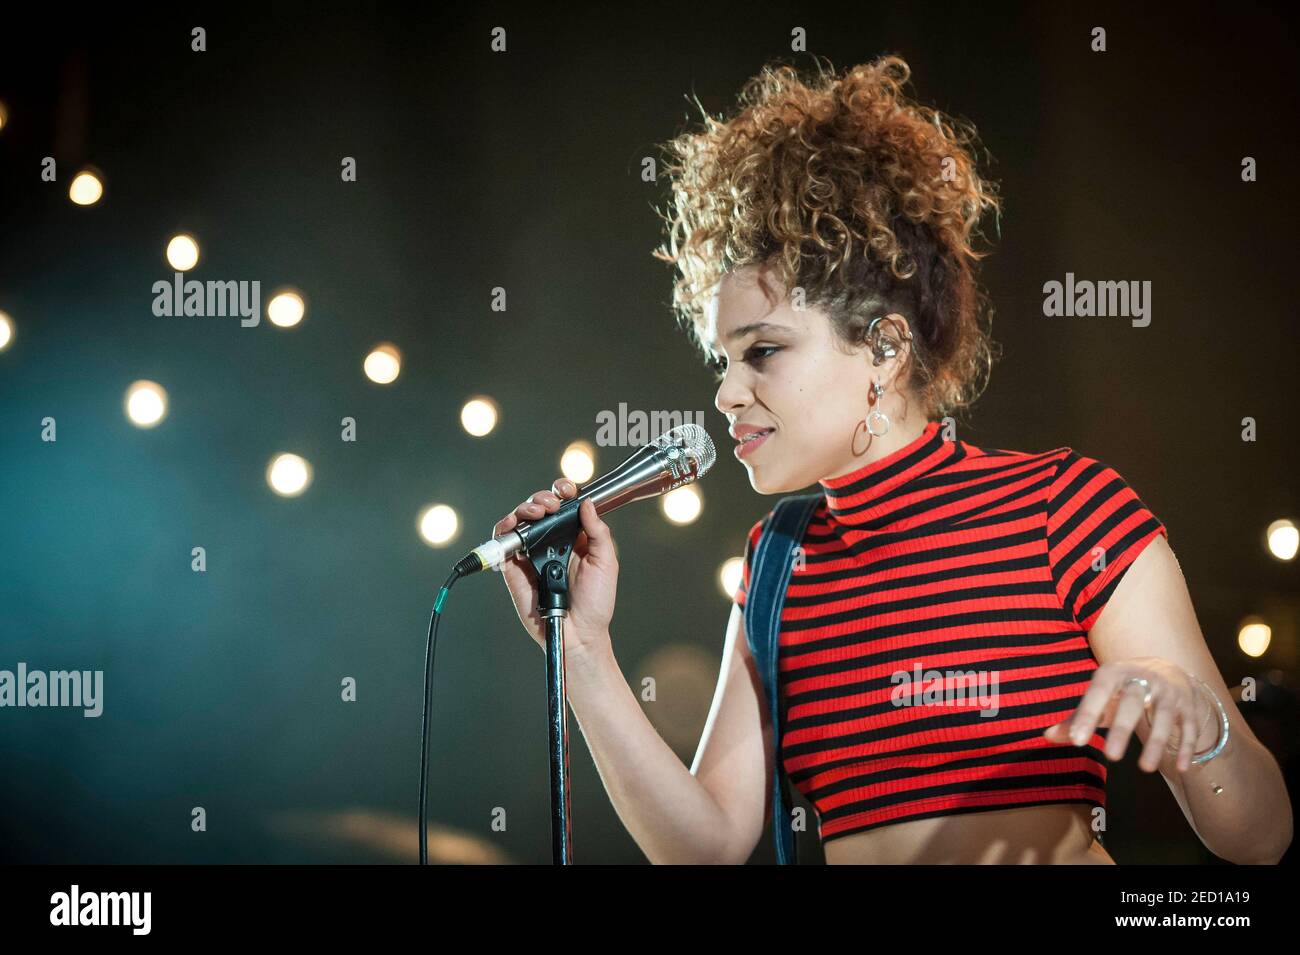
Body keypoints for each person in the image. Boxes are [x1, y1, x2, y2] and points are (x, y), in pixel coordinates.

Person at [495, 55, 1292, 864]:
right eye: (721, 361)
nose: (726, 394)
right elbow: (703, 849)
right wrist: (581, 651)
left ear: (883, 345)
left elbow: (1260, 838)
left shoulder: (1066, 509)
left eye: (762, 351)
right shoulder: (779, 561)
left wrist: (1205, 723)